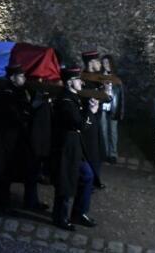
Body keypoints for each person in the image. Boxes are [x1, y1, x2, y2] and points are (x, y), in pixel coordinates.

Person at [52, 67, 97, 231]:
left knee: (87, 176)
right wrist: (90, 112)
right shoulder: (66, 101)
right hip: (66, 147)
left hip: (74, 145)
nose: (81, 82)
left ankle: (78, 212)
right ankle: (60, 217)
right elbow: (78, 124)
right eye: (78, 79)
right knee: (65, 181)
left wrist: (89, 111)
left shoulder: (73, 98)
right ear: (70, 82)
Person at [0, 64, 43, 212]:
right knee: (6, 171)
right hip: (9, 138)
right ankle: (4, 204)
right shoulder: (7, 92)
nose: (24, 78)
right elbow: (14, 114)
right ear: (12, 78)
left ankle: (31, 201)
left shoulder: (20, 90)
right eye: (21, 76)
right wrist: (31, 108)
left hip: (20, 137)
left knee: (30, 169)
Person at [80, 51, 106, 189]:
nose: (100, 64)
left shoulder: (97, 78)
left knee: (97, 149)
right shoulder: (84, 79)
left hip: (96, 118)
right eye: (97, 61)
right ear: (91, 63)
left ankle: (95, 178)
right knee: (90, 150)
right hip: (89, 119)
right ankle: (90, 181)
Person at [99, 54, 124, 163]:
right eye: (104, 63)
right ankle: (105, 153)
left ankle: (113, 154)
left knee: (113, 131)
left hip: (114, 107)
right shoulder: (100, 77)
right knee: (103, 130)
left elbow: (121, 95)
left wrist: (121, 111)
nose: (105, 65)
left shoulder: (116, 77)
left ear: (111, 64)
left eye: (107, 63)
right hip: (103, 106)